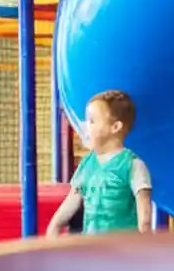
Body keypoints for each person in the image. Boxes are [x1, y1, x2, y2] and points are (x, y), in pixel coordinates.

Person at [47, 90, 153, 235]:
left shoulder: (133, 165)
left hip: (123, 250)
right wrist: (54, 225)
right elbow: (73, 200)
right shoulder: (87, 163)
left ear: (115, 127)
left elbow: (144, 215)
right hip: (93, 248)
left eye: (92, 121)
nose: (86, 126)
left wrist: (144, 243)